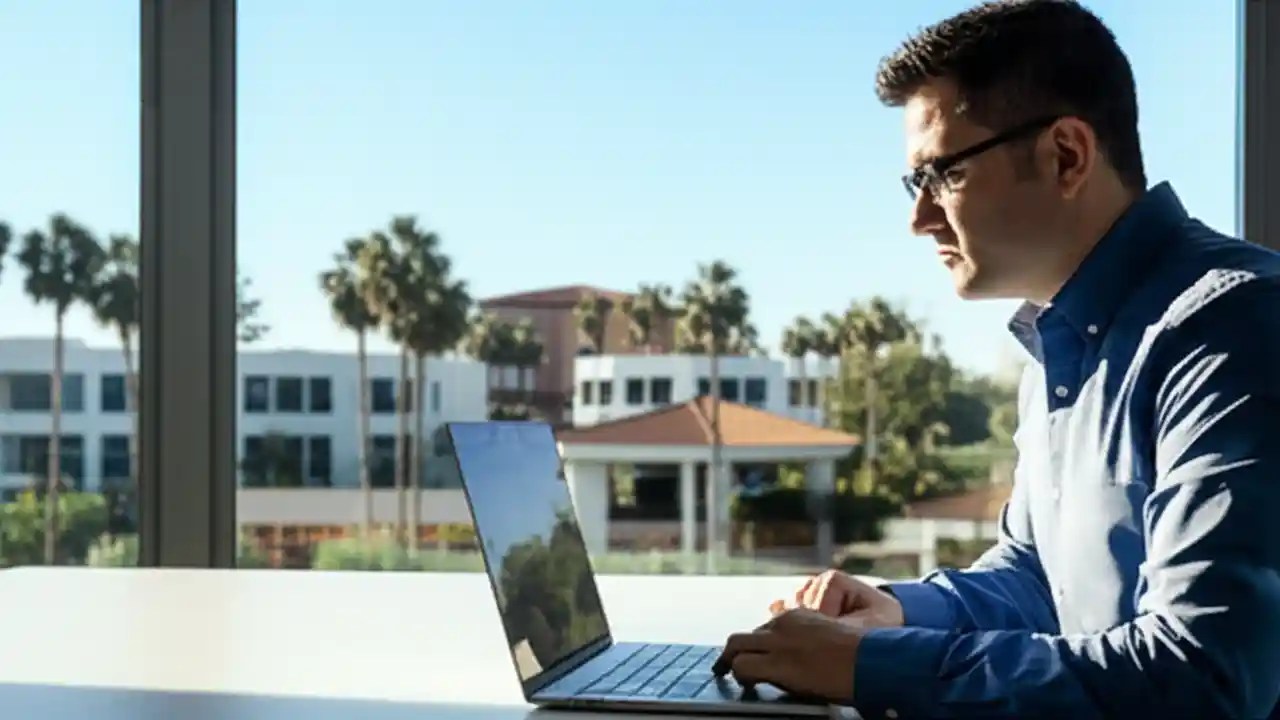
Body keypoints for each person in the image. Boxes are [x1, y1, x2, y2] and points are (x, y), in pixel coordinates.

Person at [712, 1, 1280, 718]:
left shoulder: (1234, 328)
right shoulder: (1057, 346)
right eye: (912, 184)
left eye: (941, 174)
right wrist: (896, 611)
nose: (918, 219)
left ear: (1067, 154)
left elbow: (1204, 675)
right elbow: (1042, 580)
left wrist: (871, 665)